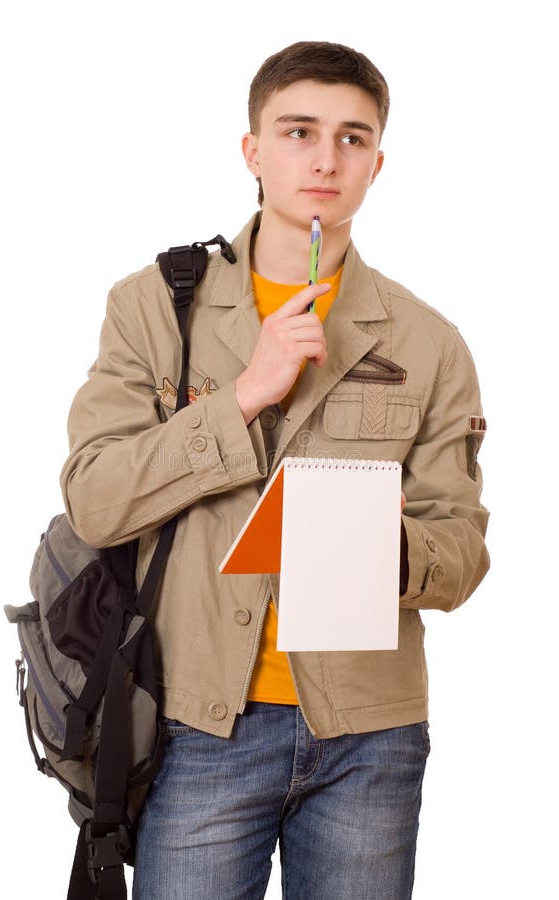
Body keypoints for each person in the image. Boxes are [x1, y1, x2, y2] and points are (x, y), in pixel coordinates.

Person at [61, 40, 489, 900]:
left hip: (372, 731)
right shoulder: (153, 307)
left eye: (353, 138)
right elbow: (96, 500)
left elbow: (464, 551)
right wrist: (245, 395)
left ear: (378, 163)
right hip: (198, 724)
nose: (325, 158)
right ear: (253, 151)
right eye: (299, 132)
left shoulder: (429, 342)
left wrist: (392, 547)